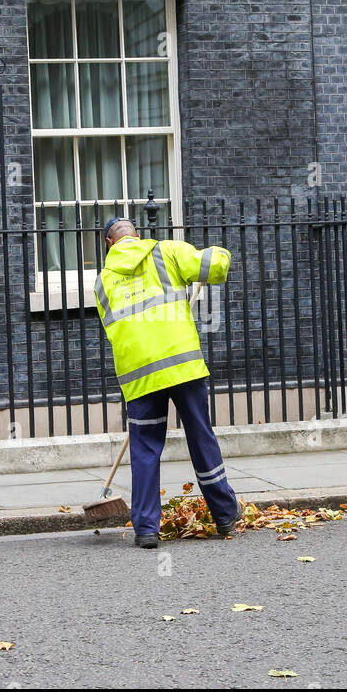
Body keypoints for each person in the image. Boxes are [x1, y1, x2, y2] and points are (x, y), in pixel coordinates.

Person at [95, 217, 241, 549]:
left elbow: (112, 328)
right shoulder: (166, 252)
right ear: (138, 235)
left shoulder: (102, 282)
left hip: (140, 375)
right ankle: (224, 514)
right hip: (182, 365)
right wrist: (217, 250)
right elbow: (216, 265)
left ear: (109, 243)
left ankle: (146, 528)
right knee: (200, 436)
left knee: (145, 450)